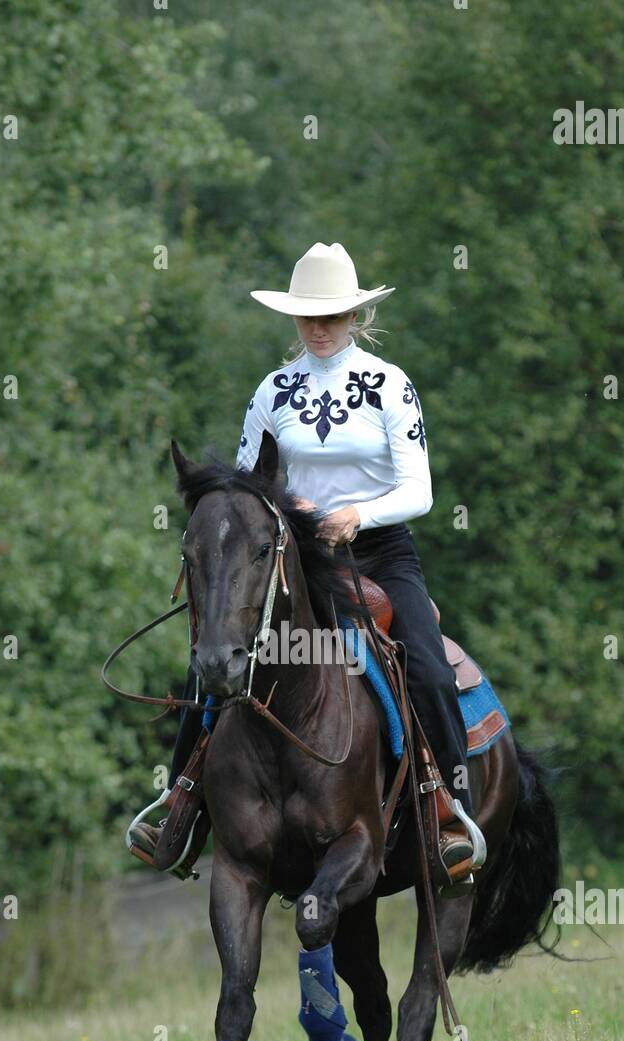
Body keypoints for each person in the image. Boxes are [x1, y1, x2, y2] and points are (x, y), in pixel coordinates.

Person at [130, 241, 483, 888]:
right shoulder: (273, 390)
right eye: (308, 316)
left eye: (333, 315)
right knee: (211, 655)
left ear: (354, 316)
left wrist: (357, 514)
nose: (320, 328)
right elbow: (245, 485)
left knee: (429, 666)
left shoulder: (390, 384)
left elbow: (420, 490)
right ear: (294, 318)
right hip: (293, 556)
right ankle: (178, 806)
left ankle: (446, 811)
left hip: (377, 550)